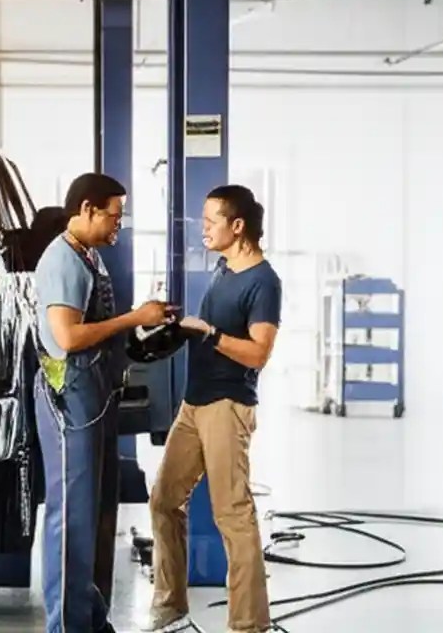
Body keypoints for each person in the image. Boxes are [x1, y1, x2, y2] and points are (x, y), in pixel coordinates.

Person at [34, 172, 177, 633]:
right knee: (72, 516)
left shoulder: (89, 255)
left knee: (97, 513)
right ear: (88, 209)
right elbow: (68, 336)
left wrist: (142, 331)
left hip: (95, 394)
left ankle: (92, 619)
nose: (120, 224)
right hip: (69, 394)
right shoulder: (63, 261)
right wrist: (134, 317)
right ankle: (67, 626)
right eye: (114, 215)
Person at [142, 184, 282, 633]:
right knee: (164, 500)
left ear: (237, 226)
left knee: (233, 515)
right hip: (194, 402)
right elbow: (208, 330)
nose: (202, 227)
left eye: (211, 220)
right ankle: (170, 605)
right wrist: (178, 328)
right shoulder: (223, 268)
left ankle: (248, 626)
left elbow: (258, 353)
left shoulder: (263, 281)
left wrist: (210, 335)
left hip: (227, 405)